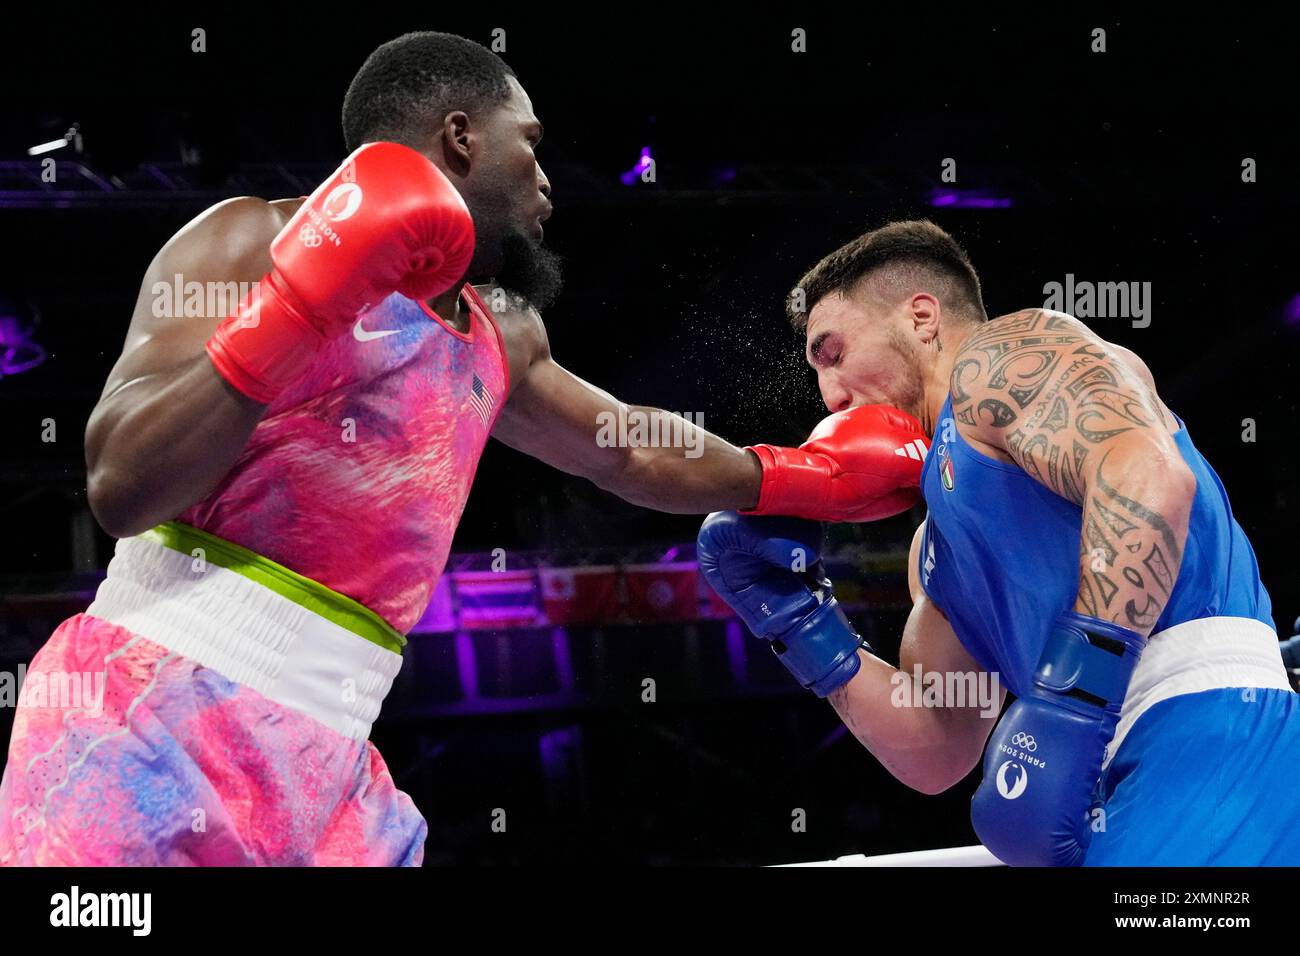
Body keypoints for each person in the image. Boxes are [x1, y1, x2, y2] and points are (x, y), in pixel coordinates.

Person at [0, 32, 926, 866]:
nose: (548, 183)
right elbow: (120, 485)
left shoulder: (500, 337)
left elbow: (629, 453)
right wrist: (300, 302)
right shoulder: (251, 239)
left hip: (329, 750)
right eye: (531, 145)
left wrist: (815, 478)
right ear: (459, 137)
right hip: (141, 712)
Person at [698, 219, 1299, 865]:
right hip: (1096, 779)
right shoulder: (936, 550)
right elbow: (937, 748)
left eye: (833, 351)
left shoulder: (1006, 358)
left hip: (1206, 727)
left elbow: (1149, 478)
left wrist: (1071, 703)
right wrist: (797, 618)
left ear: (922, 317)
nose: (830, 393)